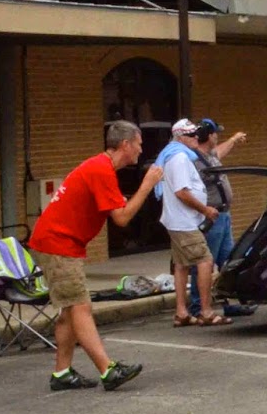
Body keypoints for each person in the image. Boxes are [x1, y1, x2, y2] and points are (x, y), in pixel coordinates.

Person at [28, 121, 160, 391]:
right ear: (125, 144)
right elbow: (121, 218)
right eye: (139, 143)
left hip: (58, 243)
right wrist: (147, 185)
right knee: (81, 307)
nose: (141, 149)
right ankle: (107, 370)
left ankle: (62, 373)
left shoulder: (100, 167)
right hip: (58, 244)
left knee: (70, 311)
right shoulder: (101, 170)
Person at [159, 120, 226, 327]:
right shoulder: (179, 158)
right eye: (191, 135)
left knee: (181, 265)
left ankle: (181, 312)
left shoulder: (176, 155)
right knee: (205, 261)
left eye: (196, 134)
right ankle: (206, 311)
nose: (196, 137)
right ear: (180, 138)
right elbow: (181, 192)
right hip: (184, 222)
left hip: (178, 220)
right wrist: (205, 210)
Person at [186, 119, 254, 320]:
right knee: (205, 263)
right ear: (209, 136)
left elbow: (220, 151)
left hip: (224, 215)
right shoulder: (195, 160)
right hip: (211, 216)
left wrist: (233, 140)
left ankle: (228, 303)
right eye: (216, 133)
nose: (217, 137)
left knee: (228, 261)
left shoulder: (210, 156)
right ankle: (198, 306)